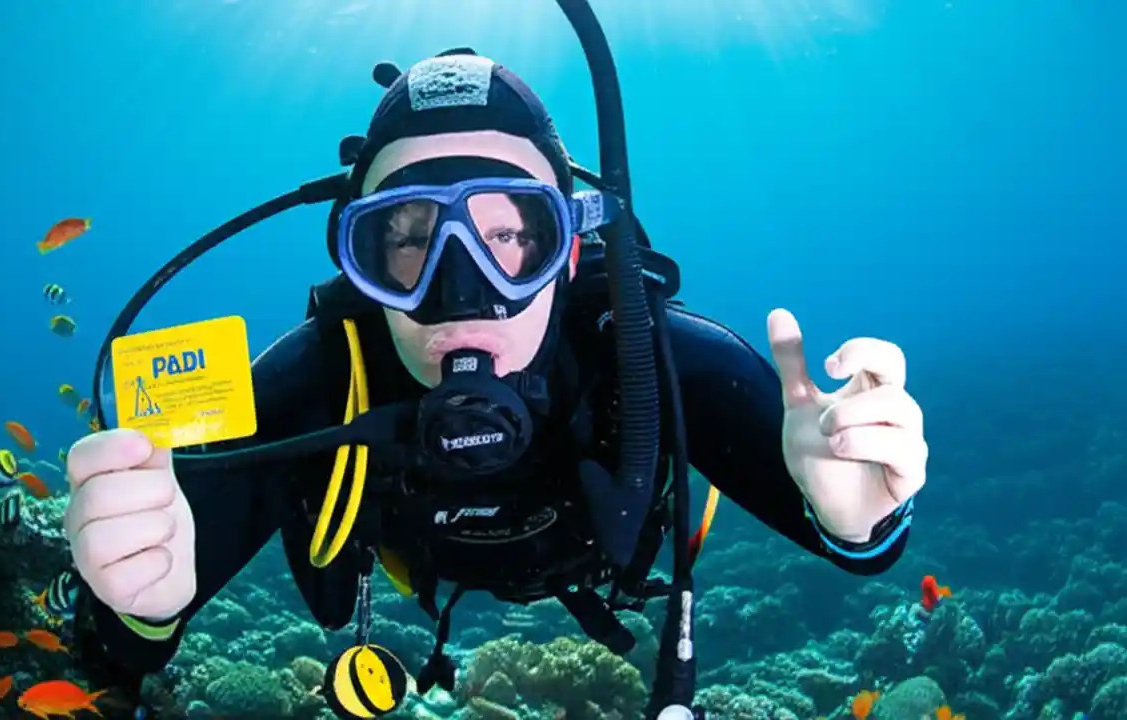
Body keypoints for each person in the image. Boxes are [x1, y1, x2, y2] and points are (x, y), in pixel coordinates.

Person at [63, 40, 928, 720]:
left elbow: (859, 545)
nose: (461, 291)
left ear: (573, 247)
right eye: (405, 239)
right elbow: (123, 647)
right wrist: (138, 601)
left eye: (513, 234)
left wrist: (859, 514)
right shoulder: (311, 387)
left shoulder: (652, 354)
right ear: (357, 260)